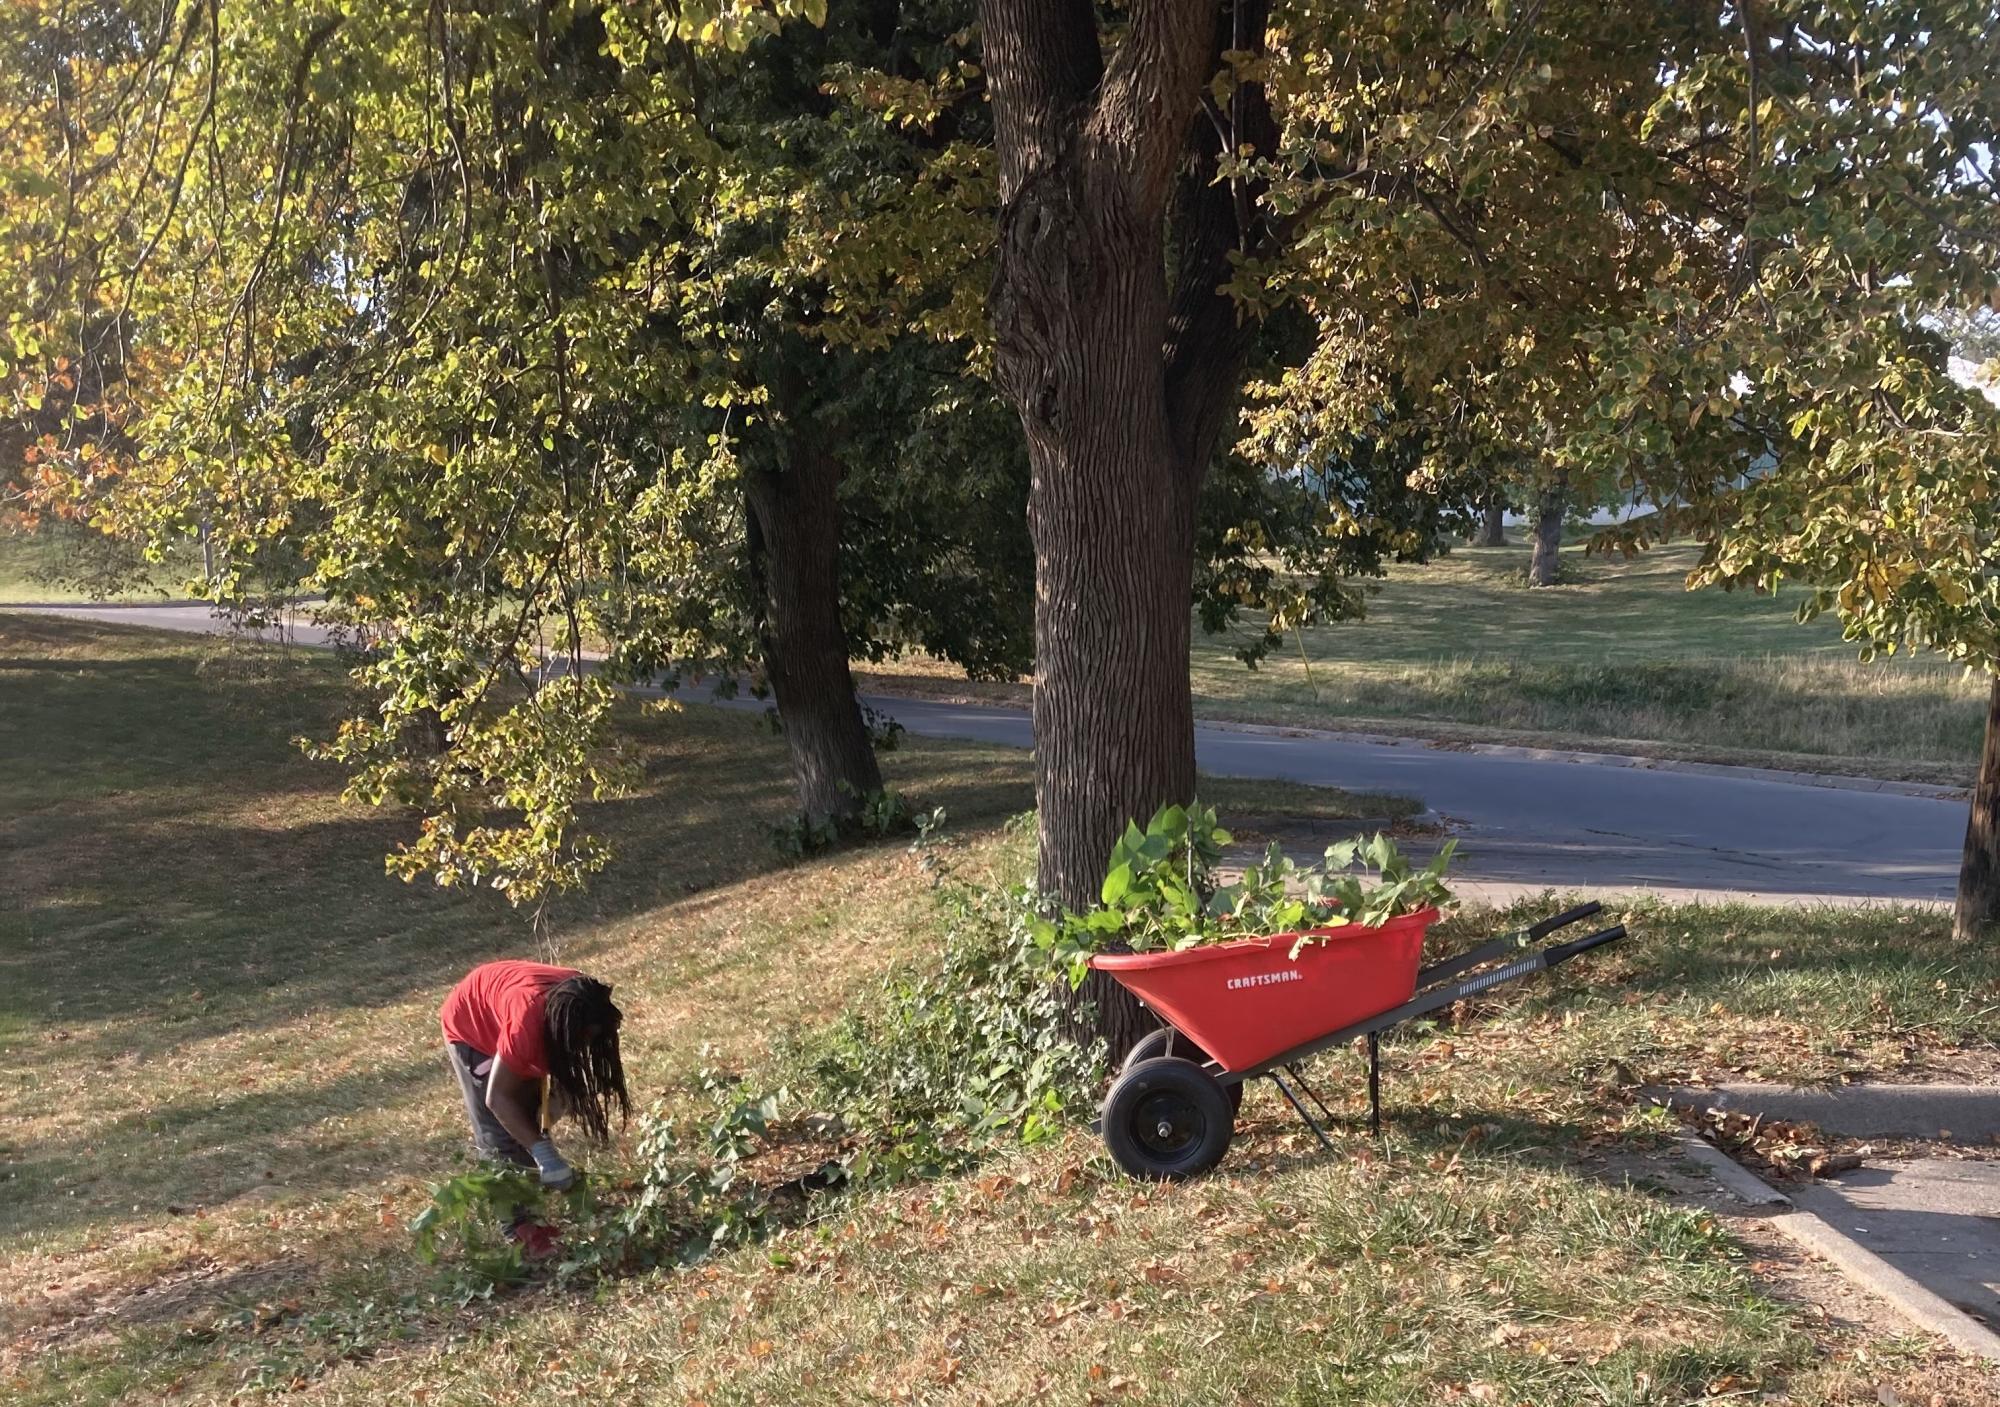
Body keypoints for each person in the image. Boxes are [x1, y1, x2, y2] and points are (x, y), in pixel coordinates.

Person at [439, 960, 631, 1197]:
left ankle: (535, 1194)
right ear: (563, 1028)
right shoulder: (526, 1026)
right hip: (471, 1025)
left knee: (527, 1117)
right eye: (583, 1039)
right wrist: (545, 1154)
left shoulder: (583, 999)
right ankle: (517, 1224)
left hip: (509, 1011)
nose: (586, 1046)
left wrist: (559, 1100)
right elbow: (497, 1098)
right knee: (501, 1131)